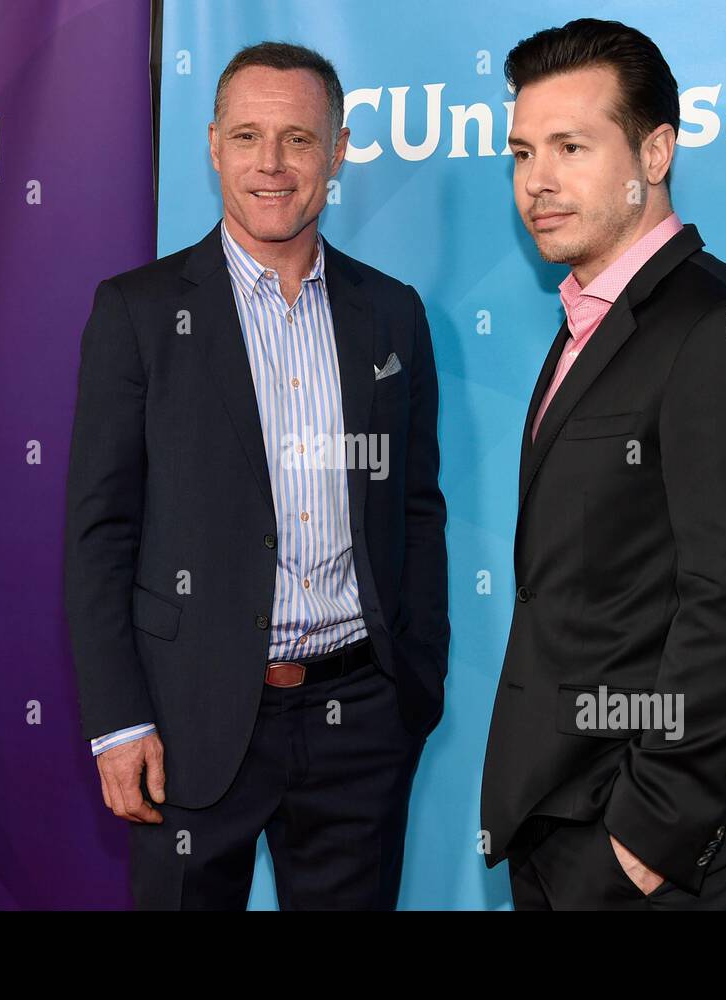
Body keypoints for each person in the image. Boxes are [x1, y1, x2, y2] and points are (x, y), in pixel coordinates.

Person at [64, 41, 449, 910]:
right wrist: (119, 722)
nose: (271, 165)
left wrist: (414, 686)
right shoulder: (138, 313)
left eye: (298, 139)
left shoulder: (392, 312)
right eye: (247, 136)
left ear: (339, 150)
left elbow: (417, 512)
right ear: (211, 146)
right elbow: (100, 533)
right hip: (187, 720)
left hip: (359, 719)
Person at [480, 18, 726, 910]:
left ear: (655, 150)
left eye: (570, 147)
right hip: (554, 812)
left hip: (639, 848)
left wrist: (646, 837)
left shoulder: (724, 332)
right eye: (521, 152)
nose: (537, 181)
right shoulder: (591, 319)